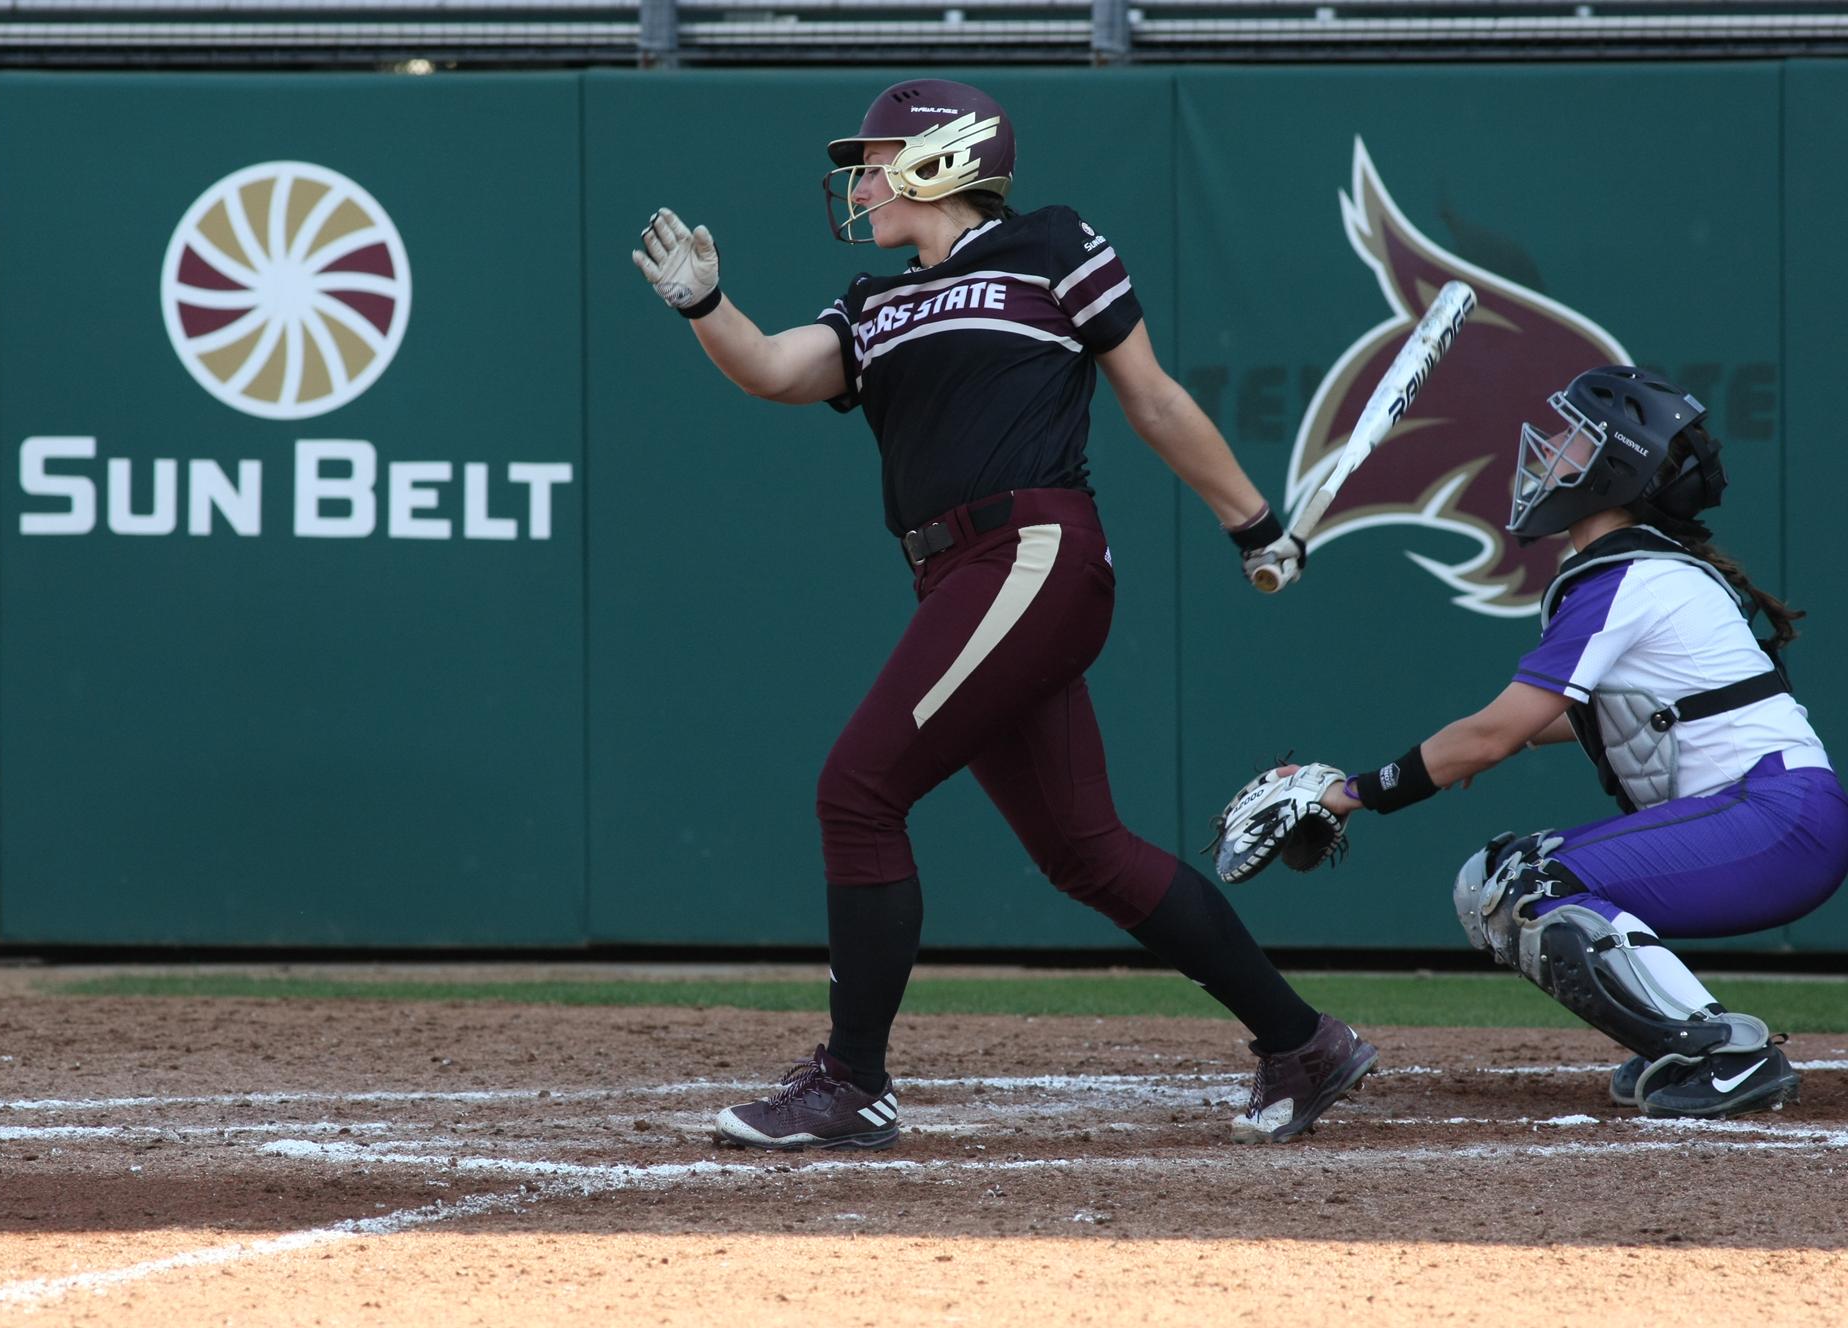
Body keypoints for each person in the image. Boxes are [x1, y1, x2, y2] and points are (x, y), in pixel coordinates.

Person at [631, 77, 1375, 1150]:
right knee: (1085, 850)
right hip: (955, 575)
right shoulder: (873, 300)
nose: (861, 178)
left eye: (878, 157)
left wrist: (1251, 521)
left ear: (942, 158)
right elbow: (768, 369)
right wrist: (706, 305)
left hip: (1031, 552)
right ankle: (1301, 1042)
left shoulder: (1050, 244)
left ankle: (853, 1081)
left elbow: (1151, 395)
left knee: (856, 789)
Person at [1270, 365, 1847, 1118]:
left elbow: (1493, 729)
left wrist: (1350, 793)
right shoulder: (1639, 569)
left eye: (1574, 442)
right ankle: (1682, 1039)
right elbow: (1582, 721)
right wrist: (1488, 748)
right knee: (1496, 874)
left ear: (1618, 466)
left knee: (1528, 883)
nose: (1551, 454)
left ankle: (1726, 1052)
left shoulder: (1625, 576)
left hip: (1777, 818)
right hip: (1772, 818)